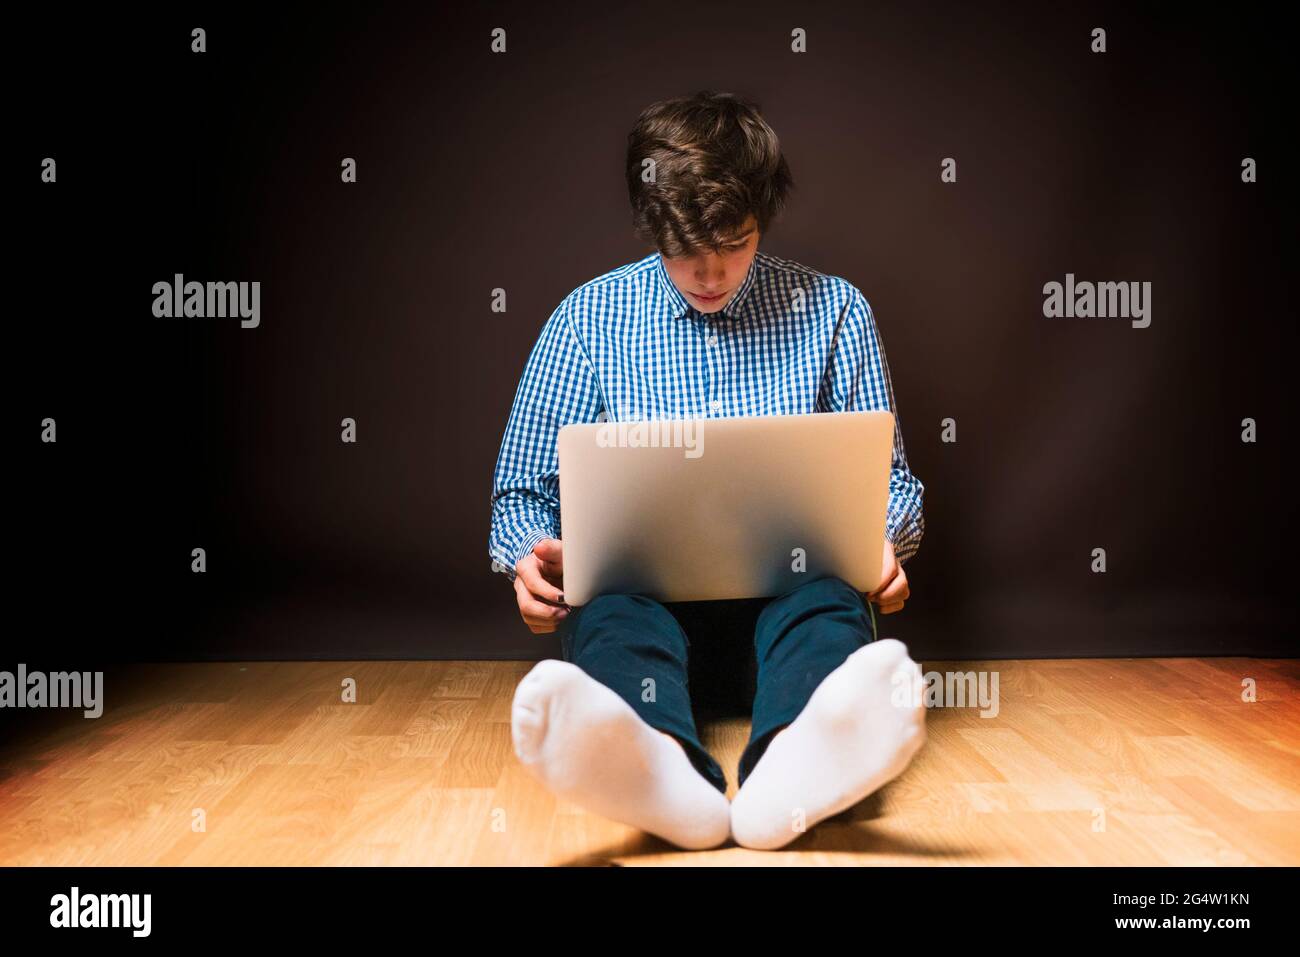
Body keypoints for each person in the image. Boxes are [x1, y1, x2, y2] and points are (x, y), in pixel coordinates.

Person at [489, 90, 927, 850]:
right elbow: (519, 493)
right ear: (647, 223)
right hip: (647, 621)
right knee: (612, 606)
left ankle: (796, 761)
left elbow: (892, 485)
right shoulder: (587, 321)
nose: (709, 271)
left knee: (826, 599)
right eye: (682, 247)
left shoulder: (835, 313)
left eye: (735, 242)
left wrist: (885, 540)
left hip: (789, 617)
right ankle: (660, 771)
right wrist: (530, 559)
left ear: (766, 215)